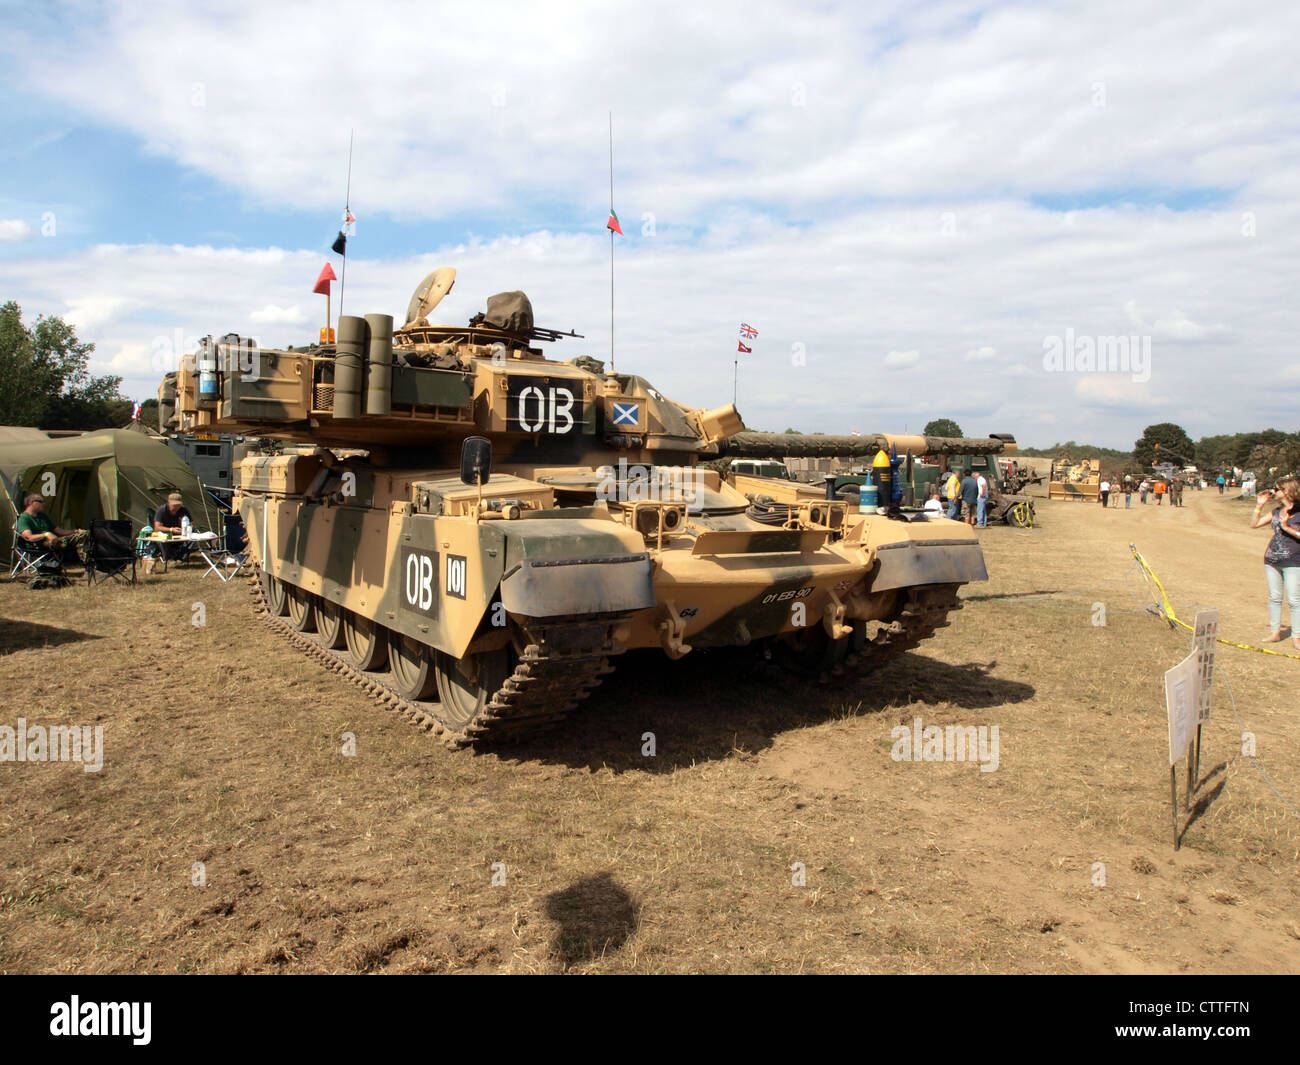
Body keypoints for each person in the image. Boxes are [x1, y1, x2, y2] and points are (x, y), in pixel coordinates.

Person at [1249, 475, 1300, 648]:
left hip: (1293, 561)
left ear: (1287, 491)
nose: (1273, 492)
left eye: (1276, 489)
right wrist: (1259, 505)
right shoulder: (1276, 512)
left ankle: (1297, 636)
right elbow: (1254, 525)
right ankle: (1275, 632)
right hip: (1272, 560)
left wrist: (1286, 528)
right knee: (1275, 597)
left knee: (1294, 600)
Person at [14, 494, 86, 563]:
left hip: (54, 541)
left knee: (84, 535)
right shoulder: (24, 518)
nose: (44, 504)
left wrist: (76, 531)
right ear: (31, 503)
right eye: (41, 502)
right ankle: (88, 566)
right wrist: (46, 534)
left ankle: (88, 565)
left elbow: (59, 531)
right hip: (38, 545)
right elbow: (29, 537)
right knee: (79, 538)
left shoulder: (43, 516)